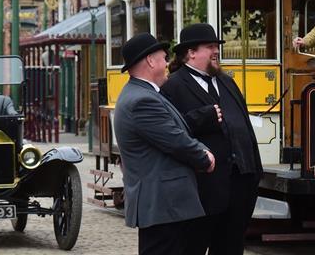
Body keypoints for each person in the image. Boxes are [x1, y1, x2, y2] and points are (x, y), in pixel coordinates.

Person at [161, 24, 262, 255]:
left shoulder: (227, 82)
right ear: (191, 53)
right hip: (202, 190)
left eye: (217, 46)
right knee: (193, 247)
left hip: (240, 186)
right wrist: (199, 119)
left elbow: (245, 126)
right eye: (210, 47)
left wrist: (255, 171)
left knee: (231, 247)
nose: (216, 51)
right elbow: (169, 133)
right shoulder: (174, 86)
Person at [112, 33, 216, 255]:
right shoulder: (142, 100)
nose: (168, 62)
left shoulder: (143, 94)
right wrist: (204, 155)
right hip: (163, 205)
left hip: (166, 206)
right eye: (163, 56)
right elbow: (175, 140)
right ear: (150, 61)